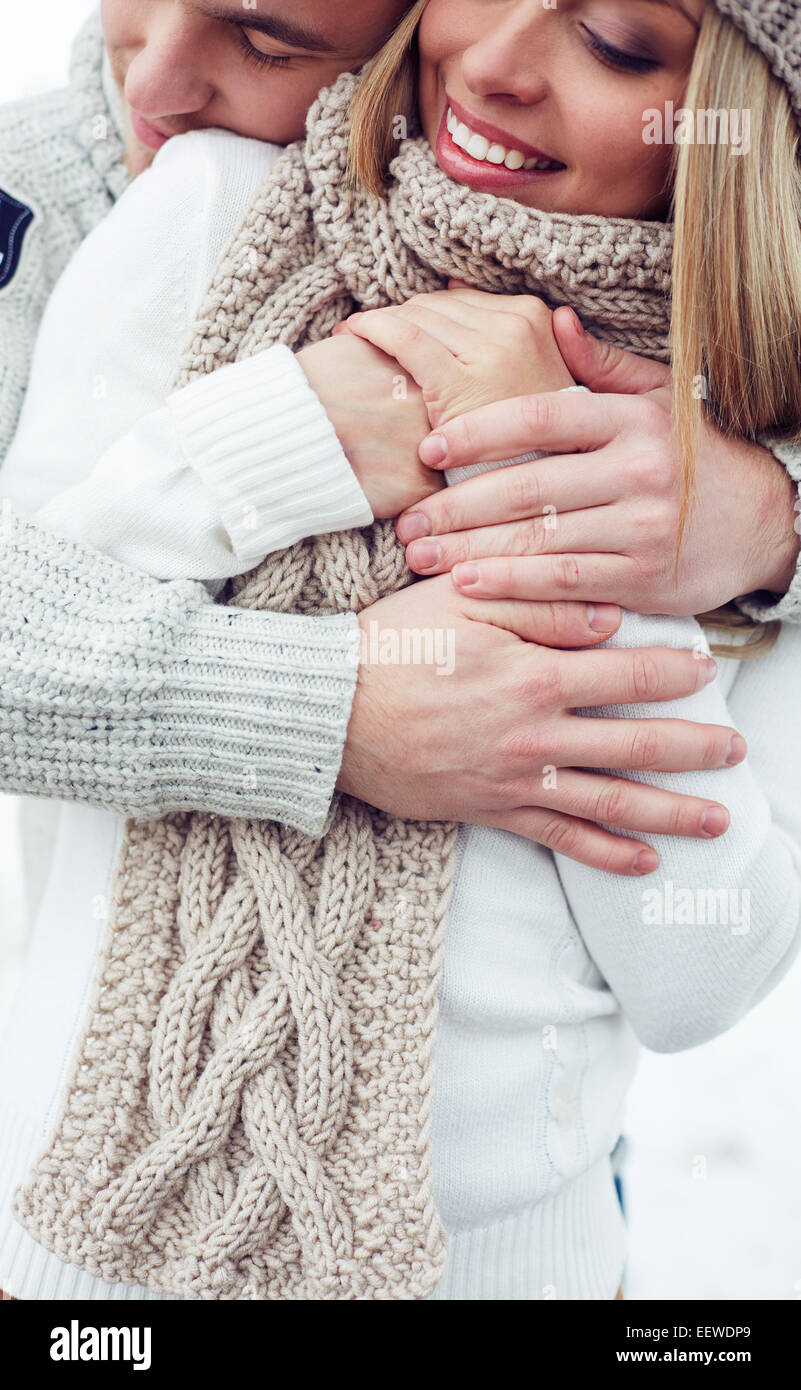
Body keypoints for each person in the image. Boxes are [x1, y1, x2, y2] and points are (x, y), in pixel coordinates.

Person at [4, 0, 801, 1302]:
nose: (492, 63)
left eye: (608, 40)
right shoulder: (208, 211)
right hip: (88, 1253)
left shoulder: (744, 433)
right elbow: (39, 607)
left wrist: (599, 529)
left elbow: (703, 972)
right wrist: (300, 429)